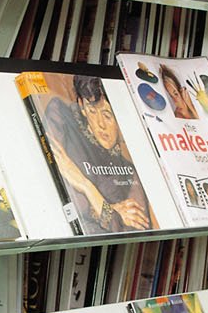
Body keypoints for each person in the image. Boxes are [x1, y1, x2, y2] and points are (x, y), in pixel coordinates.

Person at [45, 76, 151, 232]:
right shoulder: (60, 116)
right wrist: (112, 213)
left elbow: (136, 230)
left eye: (108, 115)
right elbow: (57, 198)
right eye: (92, 111)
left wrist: (86, 186)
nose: (100, 124)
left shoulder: (130, 172)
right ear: (81, 105)